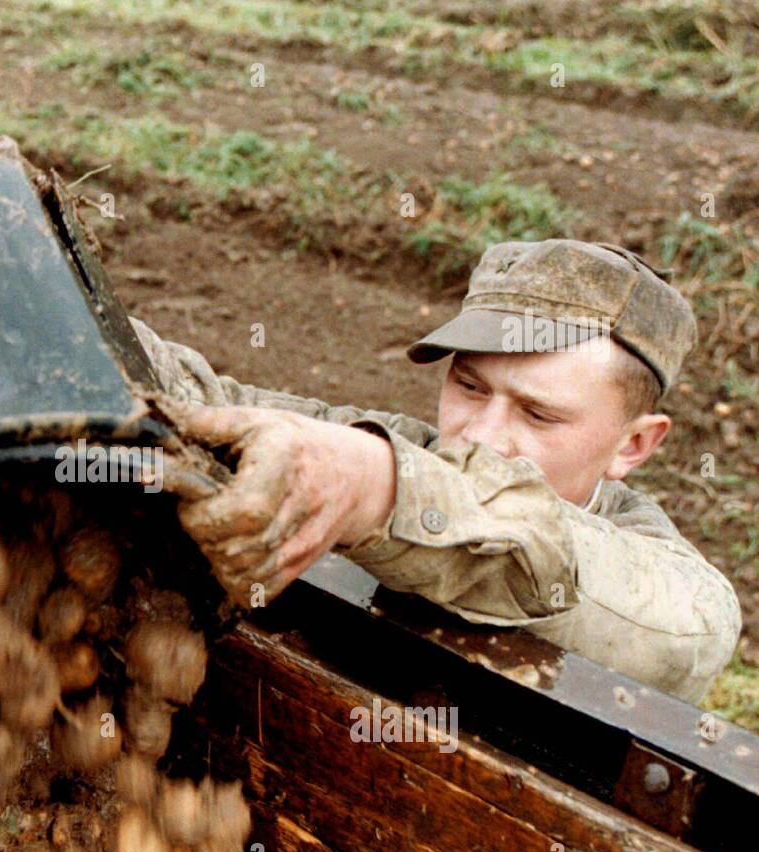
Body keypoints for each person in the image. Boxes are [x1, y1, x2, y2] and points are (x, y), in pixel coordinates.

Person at [134, 239, 741, 704]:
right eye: (469, 386)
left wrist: (382, 488)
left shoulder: (670, 588)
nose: (480, 433)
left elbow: (680, 631)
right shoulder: (399, 444)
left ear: (633, 446)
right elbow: (203, 399)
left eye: (538, 413)